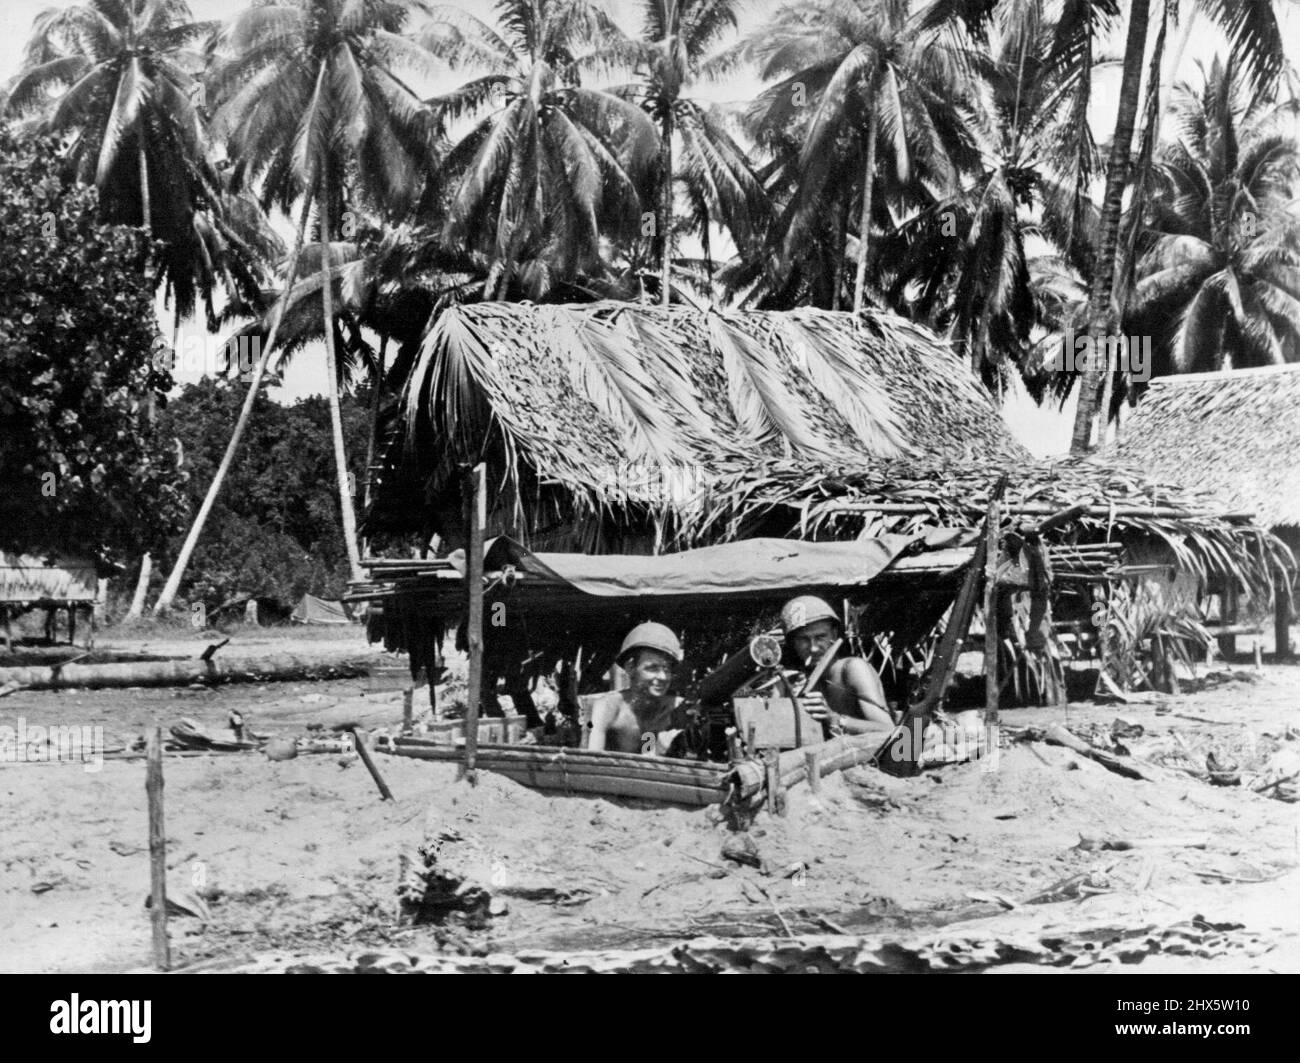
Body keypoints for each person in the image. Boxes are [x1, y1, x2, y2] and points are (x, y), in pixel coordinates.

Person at [781, 595, 894, 736]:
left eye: (820, 637)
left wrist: (834, 719)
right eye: (803, 639)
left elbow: (888, 729)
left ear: (833, 635)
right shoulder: (799, 681)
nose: (813, 648)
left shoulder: (852, 669)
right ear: (793, 643)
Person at [588, 622, 690, 753]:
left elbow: (647, 758)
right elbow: (590, 758)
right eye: (652, 668)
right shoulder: (608, 707)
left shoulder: (669, 709)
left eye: (667, 669)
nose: (663, 677)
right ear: (630, 668)